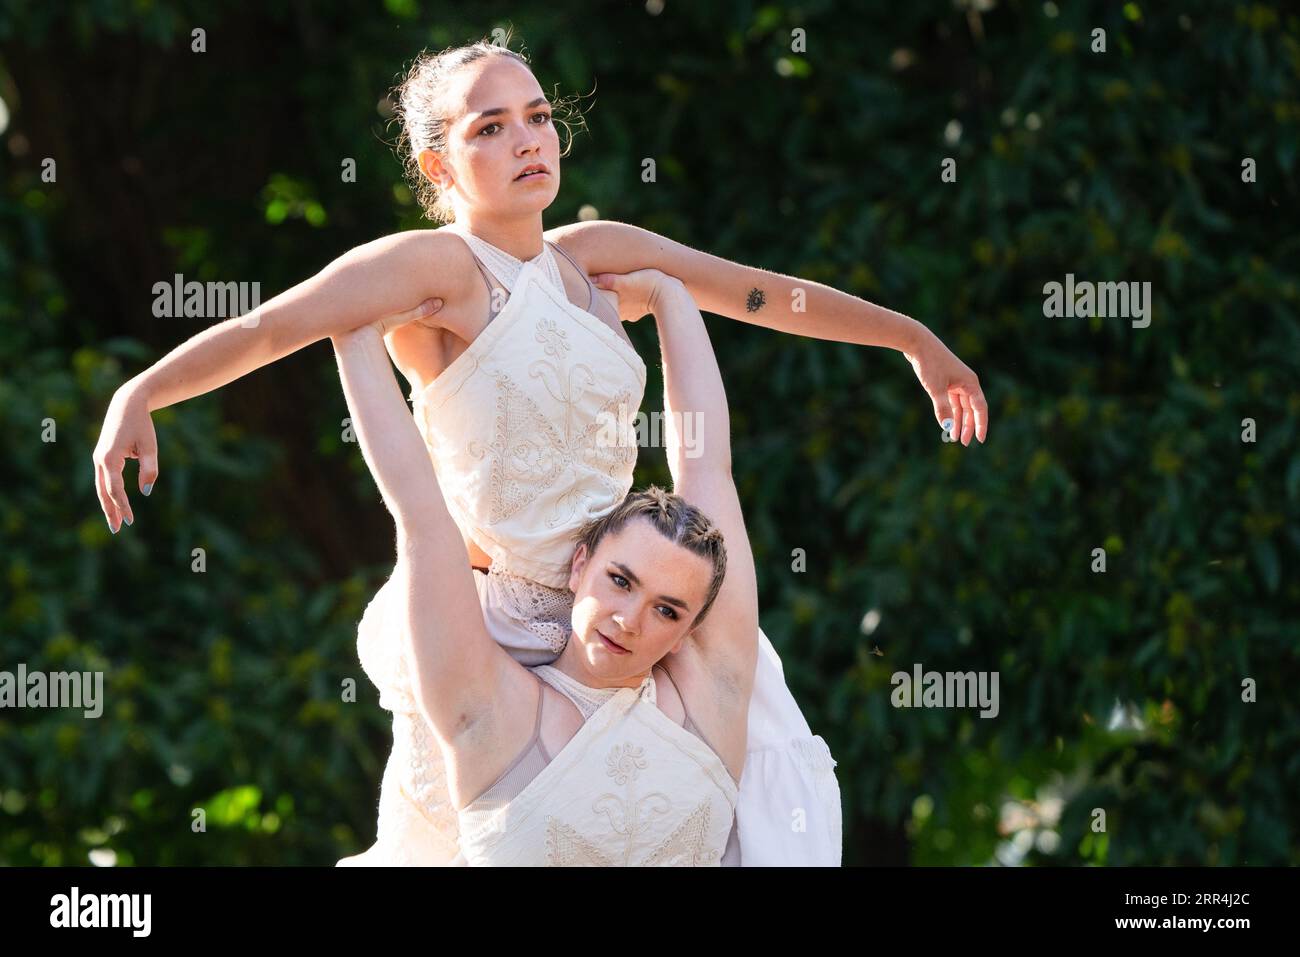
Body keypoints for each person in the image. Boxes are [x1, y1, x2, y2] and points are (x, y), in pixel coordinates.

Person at [92, 36, 989, 864]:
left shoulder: (597, 254)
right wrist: (143, 392)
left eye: (538, 117)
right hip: (507, 627)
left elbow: (759, 294)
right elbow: (271, 325)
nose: (529, 140)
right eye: (492, 127)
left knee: (734, 812)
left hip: (631, 594)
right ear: (442, 162)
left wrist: (913, 338)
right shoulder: (437, 271)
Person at [332, 268, 754, 865]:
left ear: (689, 632)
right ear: (580, 564)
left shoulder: (717, 697)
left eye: (667, 609)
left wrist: (670, 298)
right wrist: (352, 330)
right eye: (620, 580)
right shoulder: (494, 711)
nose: (630, 619)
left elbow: (709, 466)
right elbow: (423, 520)